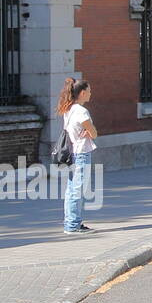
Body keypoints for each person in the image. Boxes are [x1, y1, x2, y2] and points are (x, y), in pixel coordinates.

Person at [58, 77, 96, 234]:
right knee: (77, 190)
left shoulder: (68, 108)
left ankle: (71, 222)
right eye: (89, 91)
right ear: (82, 93)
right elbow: (93, 133)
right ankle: (73, 225)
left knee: (71, 189)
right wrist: (91, 131)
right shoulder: (81, 111)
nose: (90, 94)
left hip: (72, 153)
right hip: (81, 153)